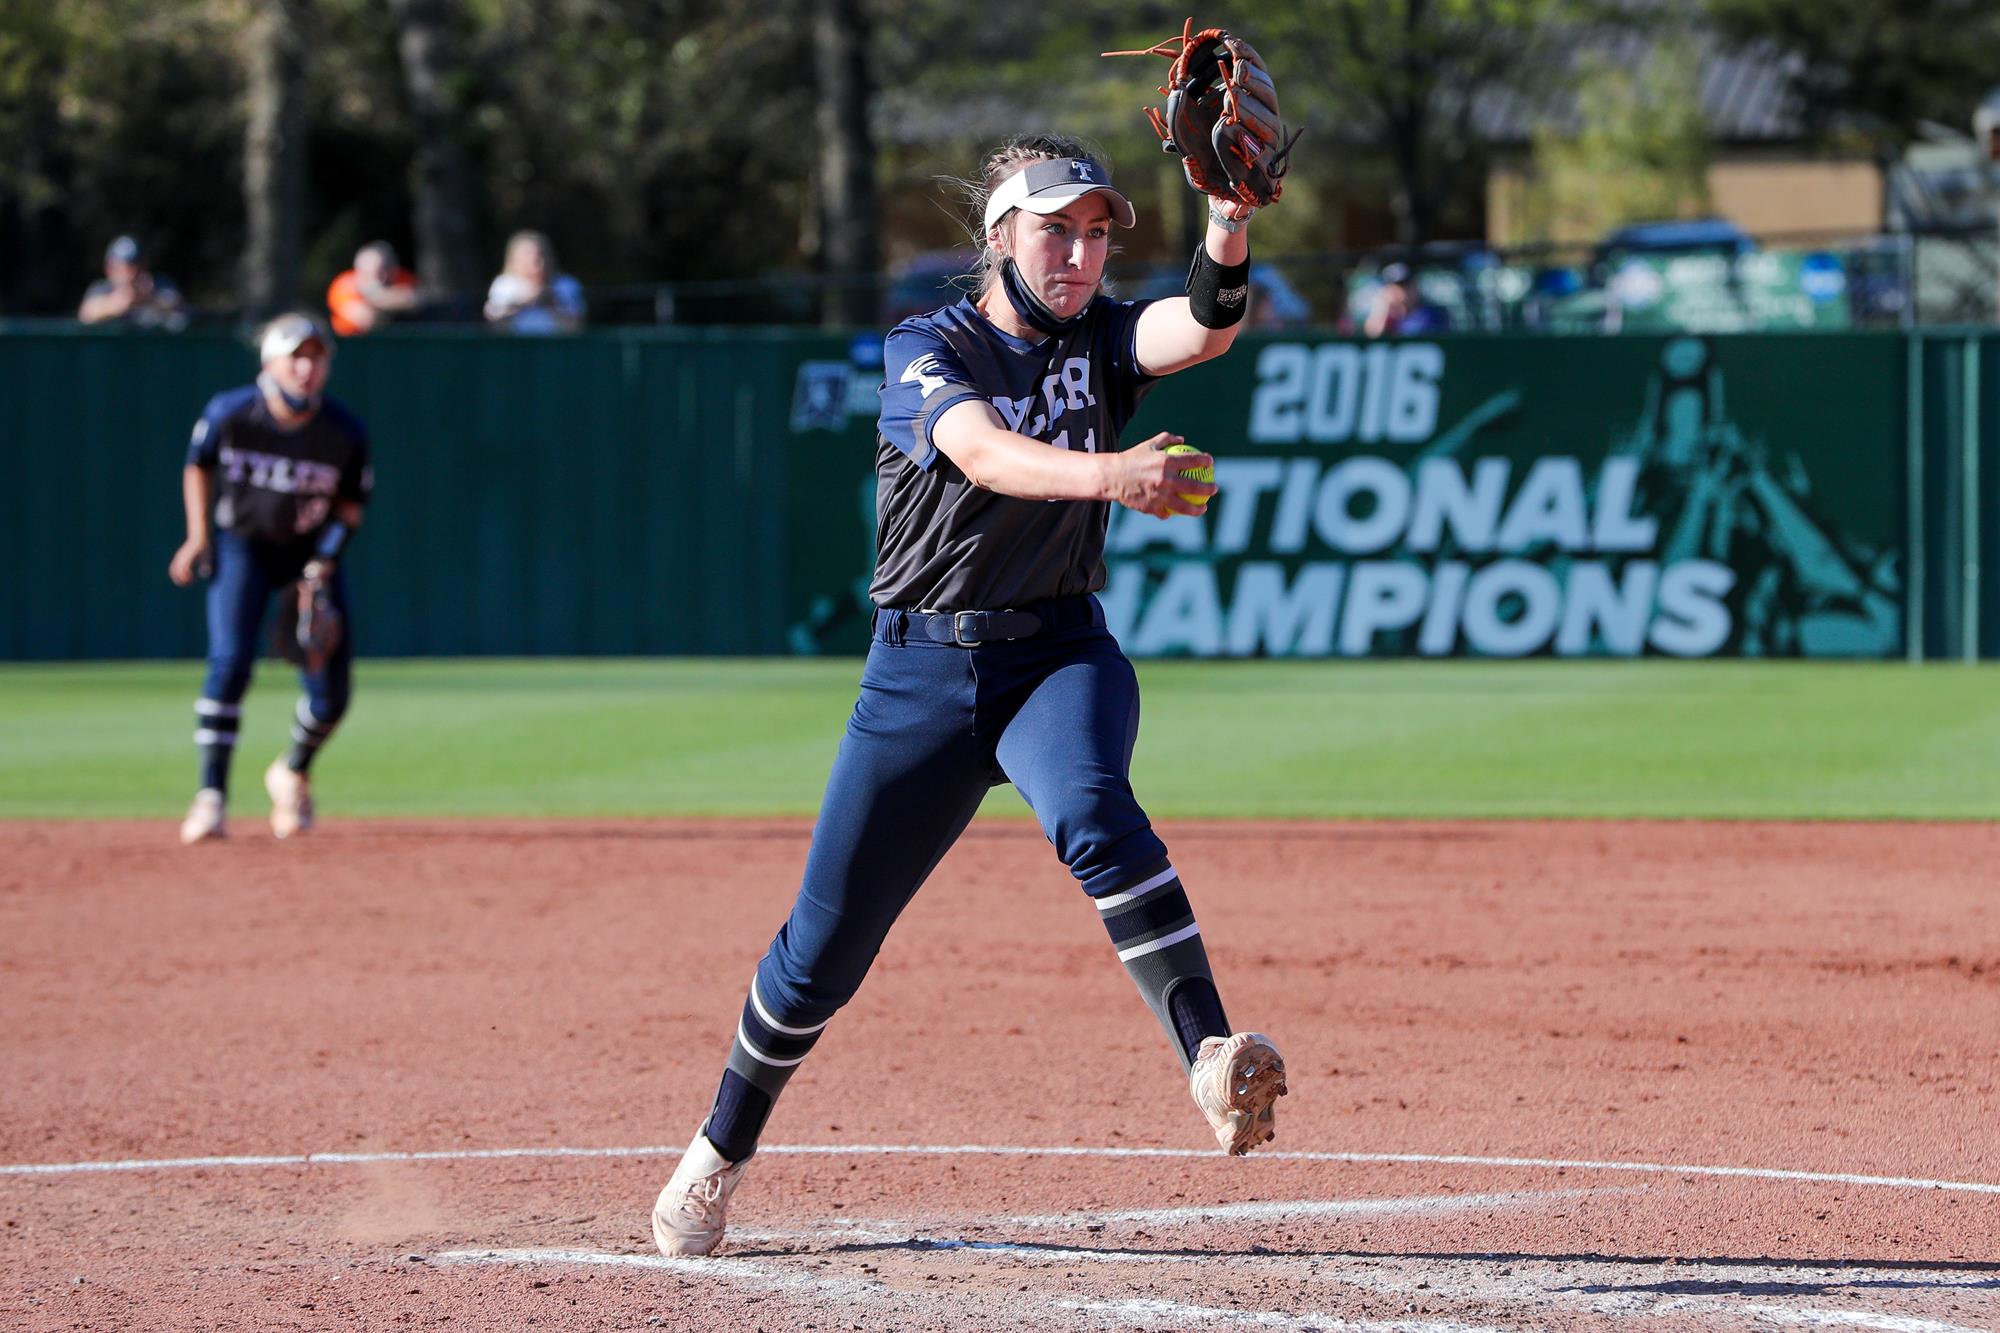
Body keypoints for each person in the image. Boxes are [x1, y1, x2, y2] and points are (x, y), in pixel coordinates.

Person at [649, 133, 1288, 1259]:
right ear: (997, 237)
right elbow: (984, 453)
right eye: (1055, 228)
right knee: (817, 958)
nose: (1080, 253)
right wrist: (1109, 473)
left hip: (1056, 653)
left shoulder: (1100, 336)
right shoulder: (924, 344)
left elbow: (1200, 325)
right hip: (921, 677)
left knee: (1094, 814)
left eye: (1095, 233)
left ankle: (1207, 1056)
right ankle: (716, 1152)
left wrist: (1226, 222)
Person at [168, 313, 372, 844]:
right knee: (230, 661)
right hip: (245, 547)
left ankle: (292, 771)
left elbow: (351, 508)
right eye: (296, 356)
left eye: (316, 356)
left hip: (310, 554)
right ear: (271, 362)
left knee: (333, 694)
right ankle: (211, 797)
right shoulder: (232, 413)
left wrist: (323, 561)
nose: (306, 367)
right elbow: (198, 464)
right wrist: (197, 535)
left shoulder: (344, 431)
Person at [482, 230, 585, 334]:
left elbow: (576, 324)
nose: (535, 259)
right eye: (527, 254)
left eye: (540, 254)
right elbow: (495, 323)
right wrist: (523, 302)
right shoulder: (503, 285)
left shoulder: (566, 285)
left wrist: (549, 302)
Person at [78, 235, 187, 329]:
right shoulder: (101, 289)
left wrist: (148, 299)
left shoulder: (157, 285)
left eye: (137, 265)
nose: (132, 273)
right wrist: (117, 304)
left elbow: (178, 303)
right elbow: (86, 314)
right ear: (109, 268)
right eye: (125, 267)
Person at [326, 241, 420, 336]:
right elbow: (368, 319)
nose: (383, 276)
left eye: (387, 269)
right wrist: (393, 300)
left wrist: (375, 296)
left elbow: (415, 300)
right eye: (377, 272)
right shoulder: (344, 285)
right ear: (360, 271)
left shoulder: (401, 277)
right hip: (354, 343)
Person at [1363, 262, 1451, 337]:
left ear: (1415, 286)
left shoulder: (1432, 314)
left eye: (1405, 286)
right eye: (1396, 287)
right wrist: (1381, 310)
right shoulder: (1386, 314)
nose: (1401, 292)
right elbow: (1372, 340)